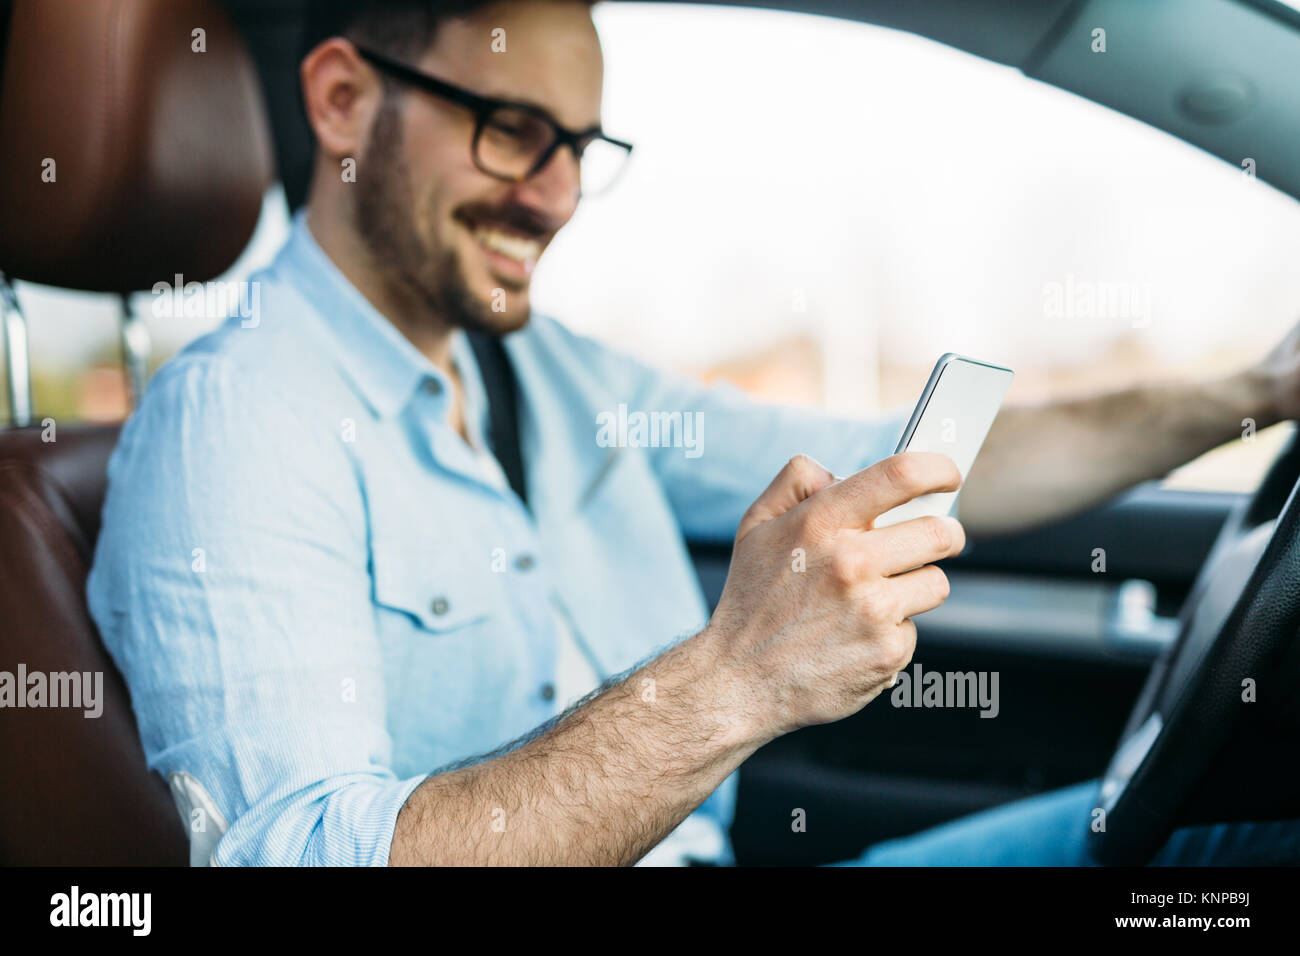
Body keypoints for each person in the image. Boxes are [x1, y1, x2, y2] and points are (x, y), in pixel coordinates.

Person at [88, 0, 1300, 866]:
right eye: (511, 128)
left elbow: (883, 457)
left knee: (1229, 837)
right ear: (344, 101)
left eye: (579, 147)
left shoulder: (546, 372)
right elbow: (302, 858)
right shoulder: (236, 424)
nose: (554, 194)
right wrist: (739, 676)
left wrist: (1253, 391)